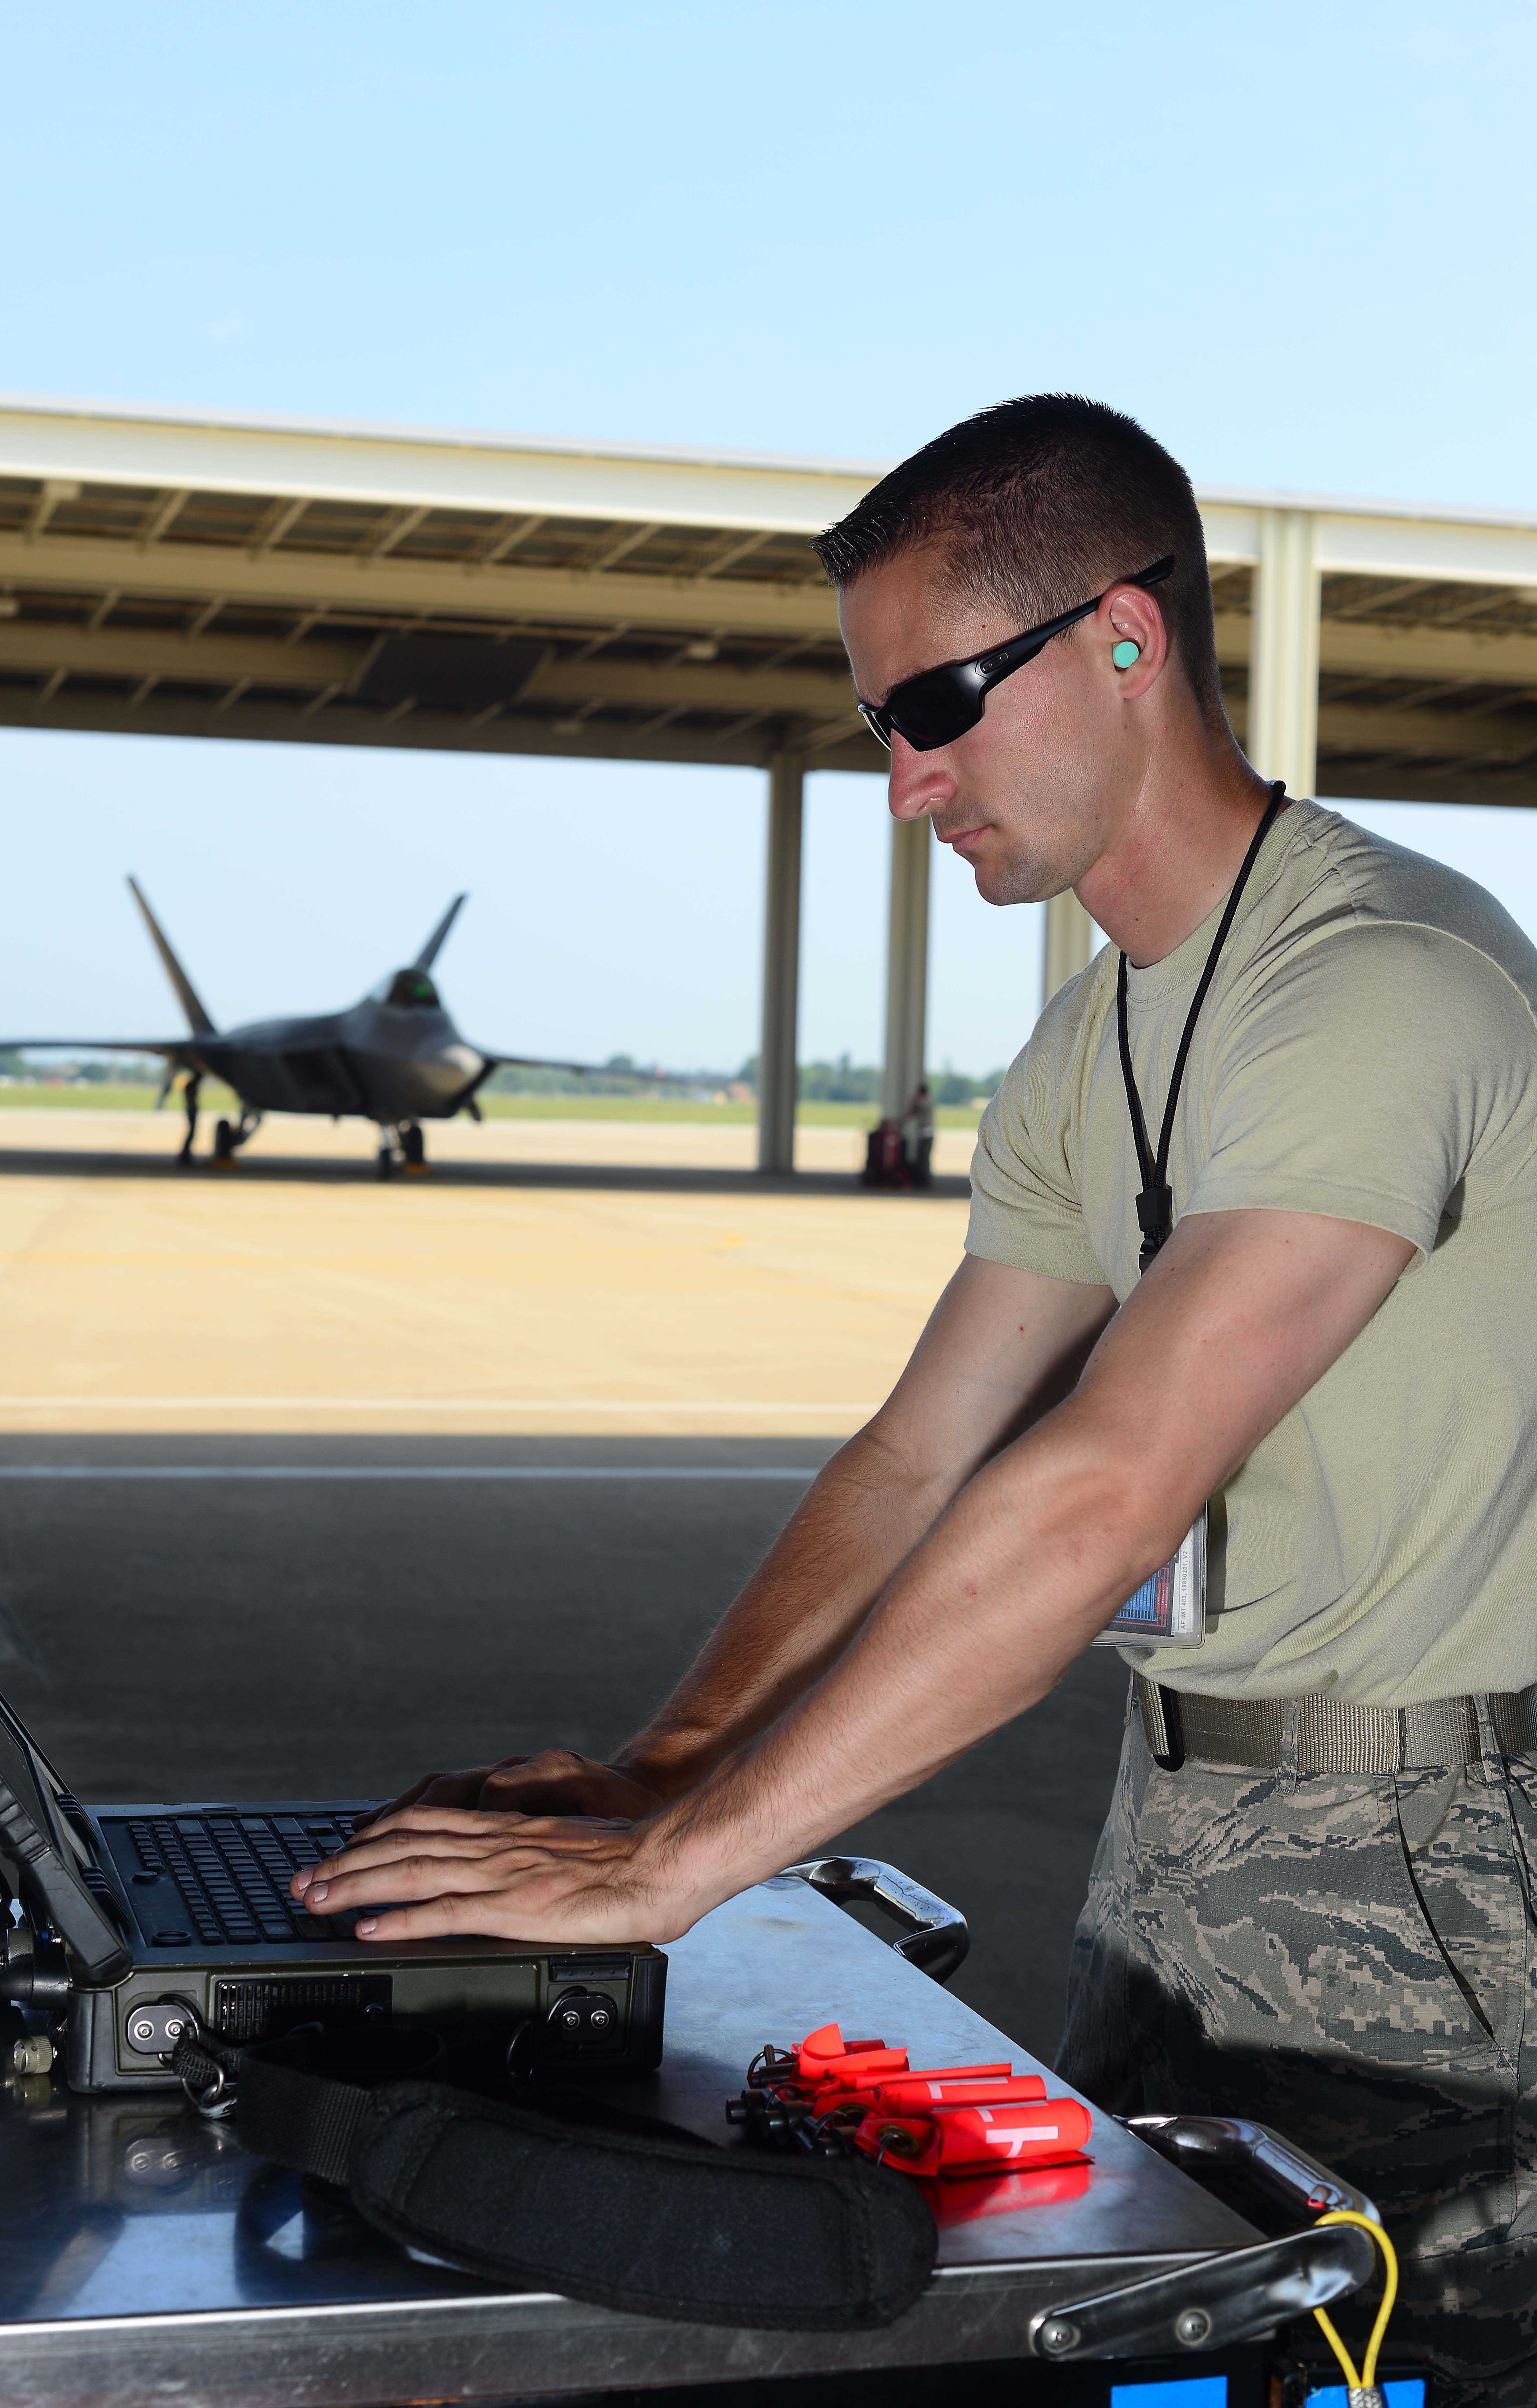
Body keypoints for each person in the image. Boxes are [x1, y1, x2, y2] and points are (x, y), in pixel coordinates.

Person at [294, 397, 1537, 2403]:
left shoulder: (1378, 982)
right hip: (1185, 1831)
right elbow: (919, 1455)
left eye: (942, 702)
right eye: (884, 722)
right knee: (1166, 2363)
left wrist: (682, 1877)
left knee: (1410, 2371)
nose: (905, 781)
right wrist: (666, 1768)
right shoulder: (1092, 1041)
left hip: (1438, 1886)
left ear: (1130, 640)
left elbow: (1106, 1491)